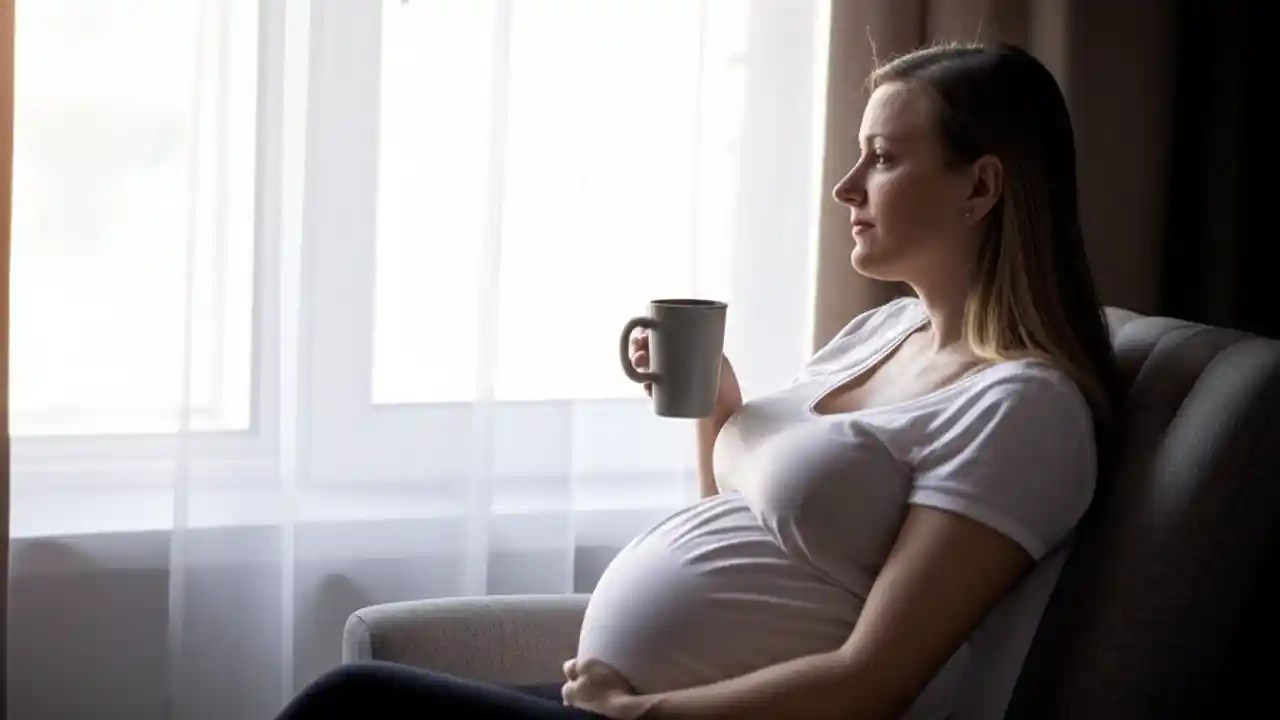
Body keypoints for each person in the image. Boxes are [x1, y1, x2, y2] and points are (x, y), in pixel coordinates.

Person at [275, 41, 1120, 720]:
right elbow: (743, 519)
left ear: (979, 187)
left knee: (351, 706)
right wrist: (717, 403)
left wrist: (646, 711)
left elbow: (874, 679)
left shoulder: (1022, 410)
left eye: (883, 159)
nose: (844, 187)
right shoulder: (882, 331)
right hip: (626, 699)